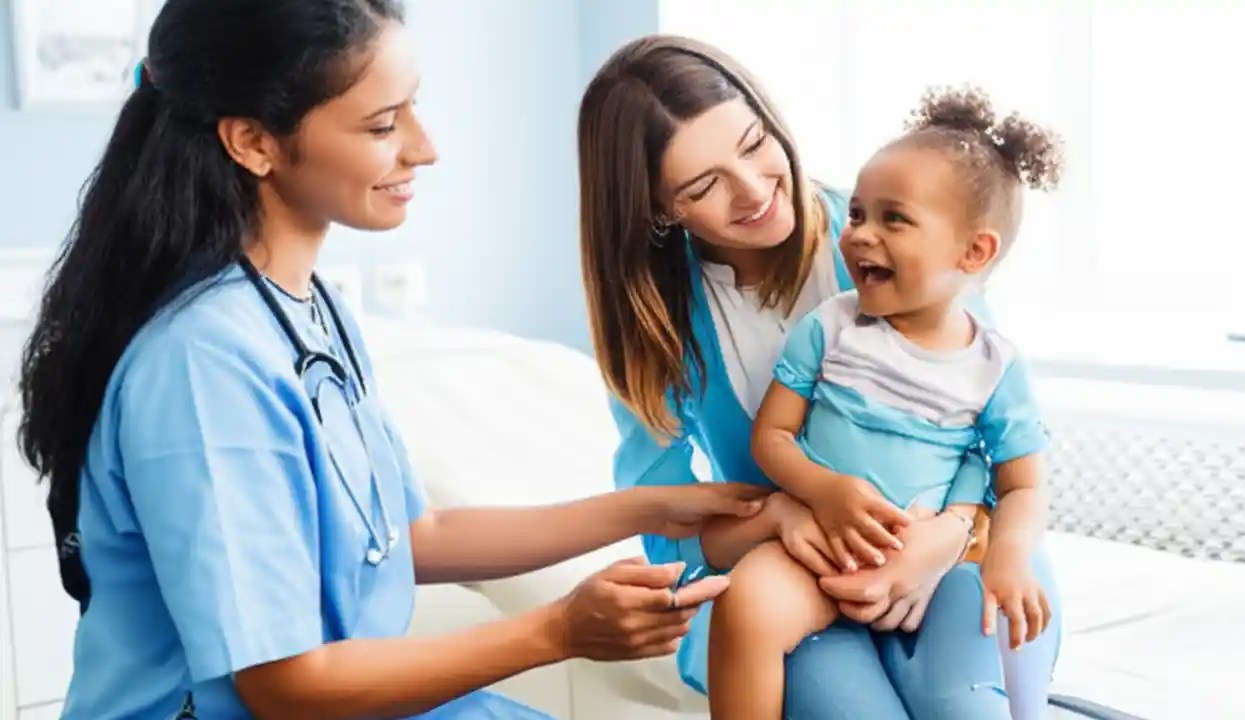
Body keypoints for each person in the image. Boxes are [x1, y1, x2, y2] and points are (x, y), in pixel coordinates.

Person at [16, 3, 768, 718]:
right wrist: (559, 632)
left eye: (411, 107)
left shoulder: (308, 310)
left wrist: (650, 508)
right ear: (253, 142)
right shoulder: (202, 365)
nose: (424, 146)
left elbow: (412, 537)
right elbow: (285, 686)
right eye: (382, 125)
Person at [578, 35, 1063, 719]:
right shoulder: (657, 323)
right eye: (703, 185)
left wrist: (947, 534)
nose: (752, 192)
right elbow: (669, 535)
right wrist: (780, 513)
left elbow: (993, 434)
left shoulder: (892, 231)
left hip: (946, 553)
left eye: (752, 145)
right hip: (806, 579)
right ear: (659, 209)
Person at [711, 86, 1063, 720]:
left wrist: (1006, 556)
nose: (860, 235)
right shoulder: (831, 327)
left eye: (892, 219)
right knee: (747, 604)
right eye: (857, 214)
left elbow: (1023, 484)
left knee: (985, 654)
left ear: (973, 252)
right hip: (819, 553)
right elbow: (772, 438)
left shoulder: (993, 366)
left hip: (932, 564)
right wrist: (824, 492)